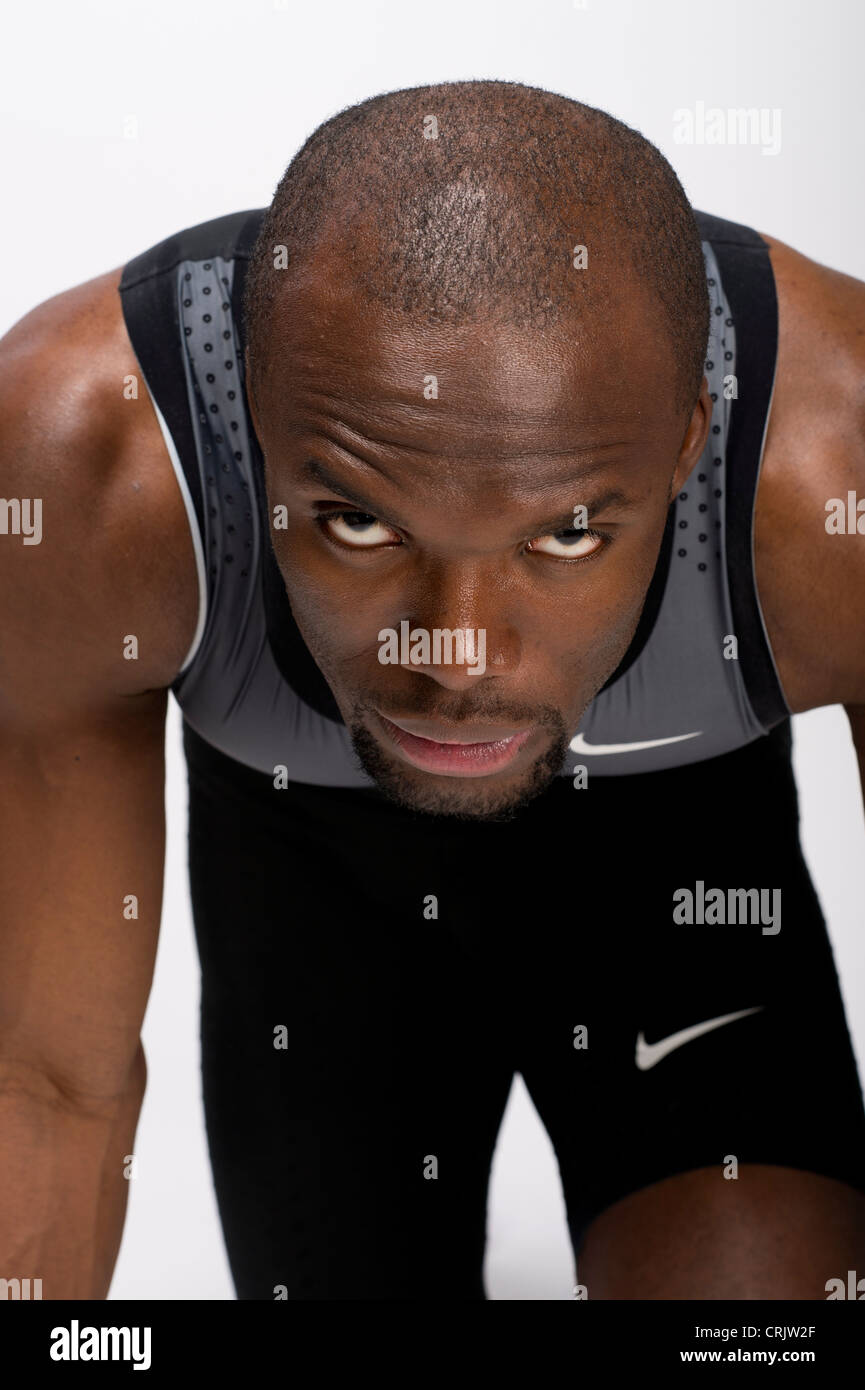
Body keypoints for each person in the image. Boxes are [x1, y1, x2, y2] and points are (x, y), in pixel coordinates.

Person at [2, 79, 865, 1301]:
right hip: (318, 901)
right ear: (250, 424)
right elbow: (43, 1080)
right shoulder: (84, 469)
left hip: (681, 894)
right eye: (360, 521)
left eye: (564, 533)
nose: (455, 661)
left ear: (689, 443)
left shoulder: (837, 477)